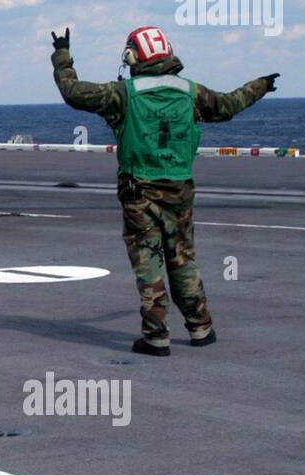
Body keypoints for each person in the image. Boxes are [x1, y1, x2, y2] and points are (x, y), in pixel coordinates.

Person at [50, 26, 279, 356]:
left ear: (133, 56)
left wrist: (62, 56)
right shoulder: (190, 92)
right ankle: (201, 327)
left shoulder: (123, 93)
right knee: (183, 257)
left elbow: (73, 92)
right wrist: (261, 85)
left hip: (138, 191)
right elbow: (229, 104)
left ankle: (156, 335)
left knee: (149, 260)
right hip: (180, 188)